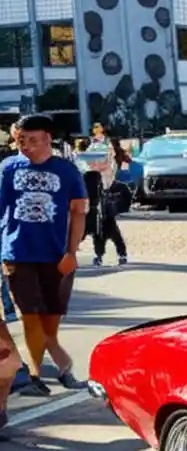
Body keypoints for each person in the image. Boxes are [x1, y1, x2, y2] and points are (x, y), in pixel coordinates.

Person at [0, 114, 89, 394]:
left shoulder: (67, 171)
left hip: (57, 255)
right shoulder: (7, 168)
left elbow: (78, 213)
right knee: (30, 315)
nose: (26, 146)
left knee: (50, 318)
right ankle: (45, 373)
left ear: (48, 138)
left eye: (33, 140)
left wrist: (71, 252)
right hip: (17, 252)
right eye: (21, 140)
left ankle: (53, 368)